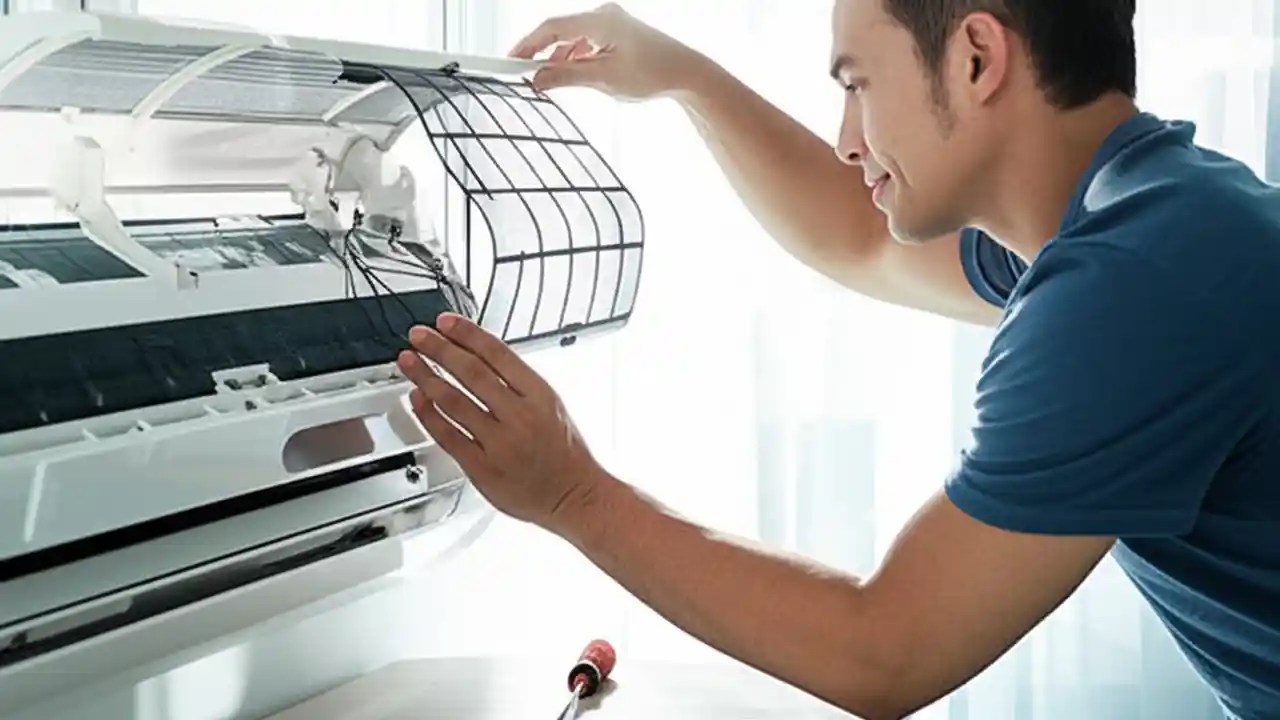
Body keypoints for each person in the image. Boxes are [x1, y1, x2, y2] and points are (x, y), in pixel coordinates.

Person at [395, 1, 1280, 717]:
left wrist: (573, 494)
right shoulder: (1152, 214)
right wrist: (682, 78)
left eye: (858, 84)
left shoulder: (1131, 289)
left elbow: (885, 650)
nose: (849, 137)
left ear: (975, 58)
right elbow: (860, 236)